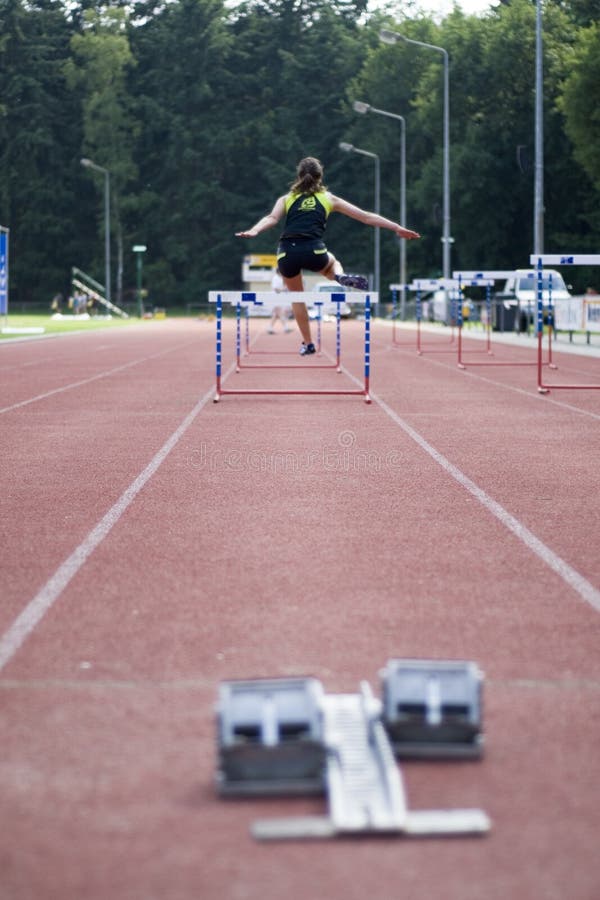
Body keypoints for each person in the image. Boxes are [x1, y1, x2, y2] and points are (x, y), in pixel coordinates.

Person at [236, 156, 420, 355]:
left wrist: (255, 230)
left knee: (297, 298)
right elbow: (366, 216)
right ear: (320, 177)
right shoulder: (329, 198)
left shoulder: (287, 199)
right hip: (314, 250)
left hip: (287, 252)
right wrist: (397, 227)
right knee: (333, 262)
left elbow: (271, 218)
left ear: (298, 176)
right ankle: (338, 276)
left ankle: (308, 343)